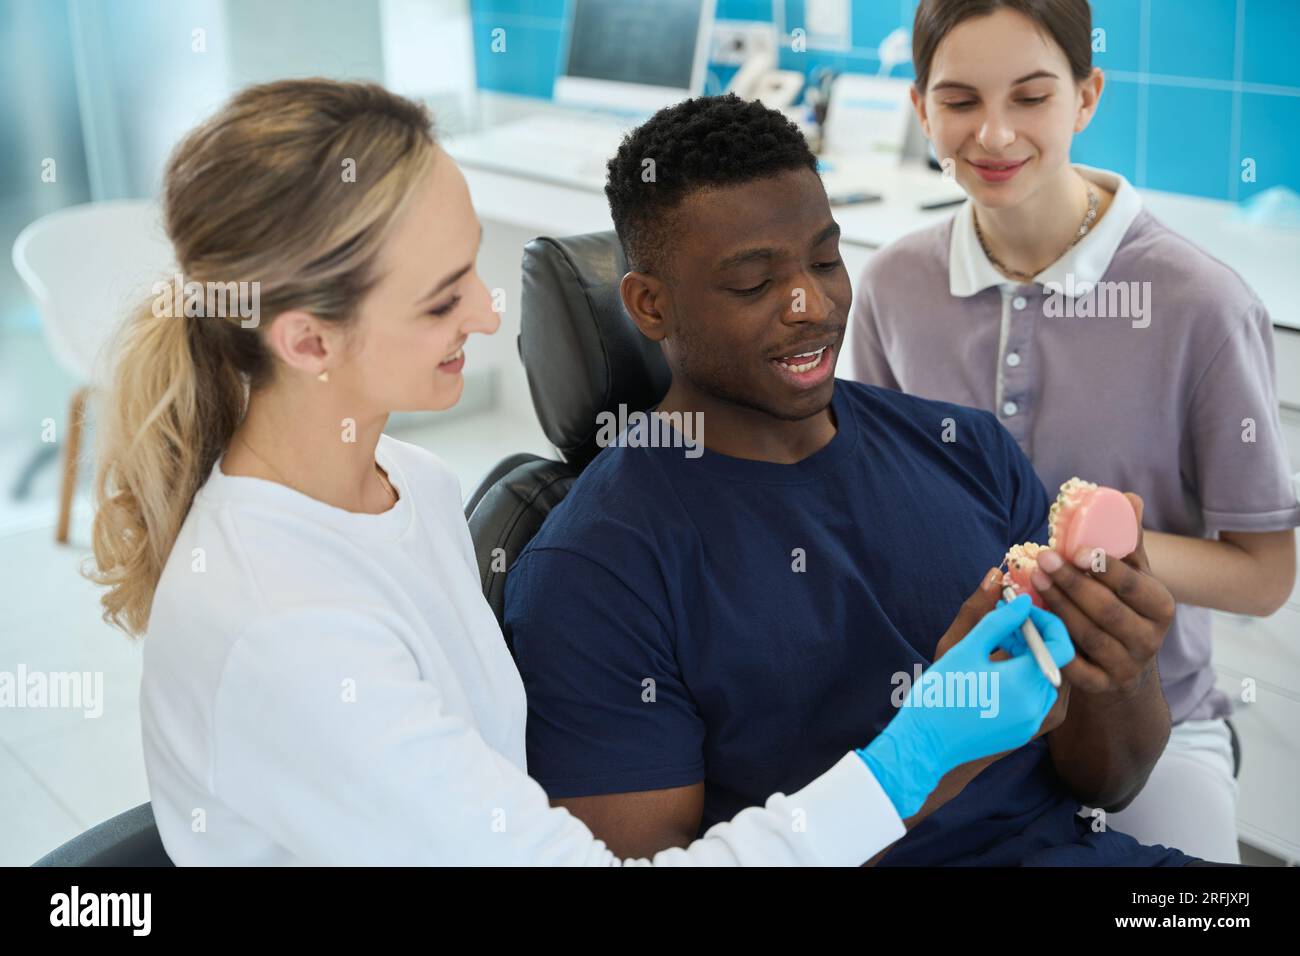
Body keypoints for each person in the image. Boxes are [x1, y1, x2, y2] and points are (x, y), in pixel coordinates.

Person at [83, 78, 1067, 866]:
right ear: (304, 339)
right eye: (440, 299)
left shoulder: (406, 480)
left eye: (471, 266)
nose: (486, 312)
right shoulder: (288, 635)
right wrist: (912, 759)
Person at [504, 92, 1208, 866]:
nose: (809, 305)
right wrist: (930, 750)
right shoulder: (596, 573)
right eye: (752, 284)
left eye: (825, 260)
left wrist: (1122, 670)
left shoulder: (965, 450)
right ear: (649, 304)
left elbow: (1109, 786)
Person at [843, 0, 1299, 863]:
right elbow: (872, 501)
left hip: (1151, 717)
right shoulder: (896, 285)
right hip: (955, 700)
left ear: (1086, 97)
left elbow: (1266, 575)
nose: (994, 134)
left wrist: (1083, 558)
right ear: (919, 109)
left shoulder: (1201, 303)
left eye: (1031, 97)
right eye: (960, 100)